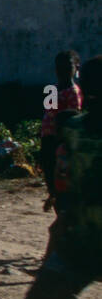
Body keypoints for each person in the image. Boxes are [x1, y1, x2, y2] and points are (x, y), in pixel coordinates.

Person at [11, 56, 102, 299]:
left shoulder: (74, 121)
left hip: (81, 235)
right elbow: (51, 123)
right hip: (80, 233)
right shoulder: (70, 118)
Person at [40, 49, 83, 214]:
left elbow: (73, 118)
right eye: (59, 67)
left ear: (76, 68)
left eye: (68, 66)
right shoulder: (52, 89)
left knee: (60, 174)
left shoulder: (74, 92)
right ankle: (52, 194)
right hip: (48, 138)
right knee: (49, 170)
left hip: (61, 140)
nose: (62, 70)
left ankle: (58, 200)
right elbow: (47, 114)